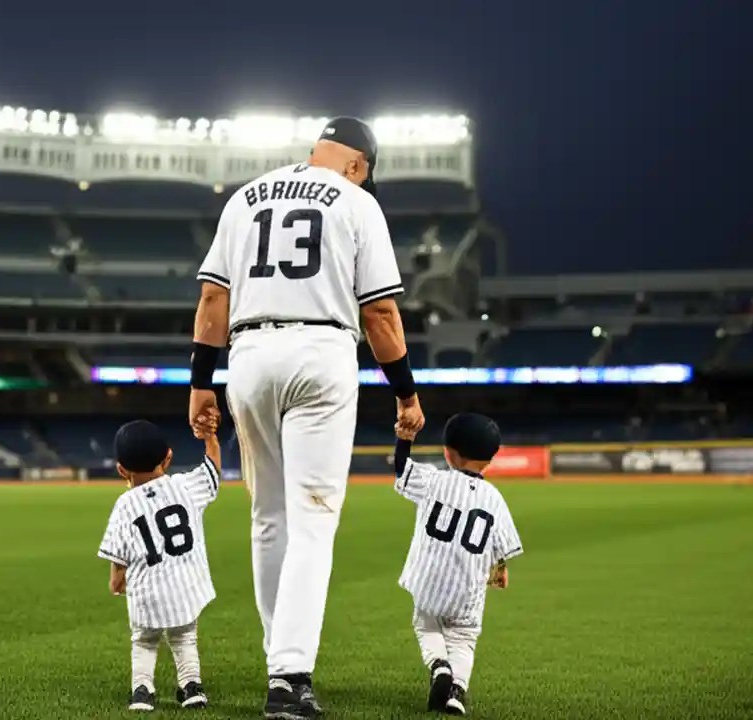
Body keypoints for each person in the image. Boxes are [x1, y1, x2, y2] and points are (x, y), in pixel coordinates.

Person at [187, 116, 426, 719]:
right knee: (314, 522)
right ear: (355, 164)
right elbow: (381, 315)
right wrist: (405, 393)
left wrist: (199, 383)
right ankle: (289, 677)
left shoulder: (245, 197)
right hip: (320, 354)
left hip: (247, 357)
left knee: (269, 521)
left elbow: (214, 298)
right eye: (366, 173)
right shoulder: (356, 202)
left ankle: (281, 658)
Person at [392, 413, 524, 716]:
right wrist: (500, 570)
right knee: (463, 641)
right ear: (491, 459)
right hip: (467, 590)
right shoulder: (495, 498)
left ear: (447, 452)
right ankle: (457, 690)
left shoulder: (434, 480)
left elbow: (402, 470)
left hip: (428, 581)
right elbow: (500, 544)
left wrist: (405, 438)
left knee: (426, 626)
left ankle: (439, 667)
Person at [98, 420, 222, 713]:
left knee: (144, 641)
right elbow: (212, 469)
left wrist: (116, 577)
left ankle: (142, 691)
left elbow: (119, 552)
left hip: (146, 592)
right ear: (168, 457)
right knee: (184, 637)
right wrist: (210, 438)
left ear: (120, 469)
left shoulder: (125, 504)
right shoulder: (184, 487)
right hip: (184, 588)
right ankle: (191, 687)